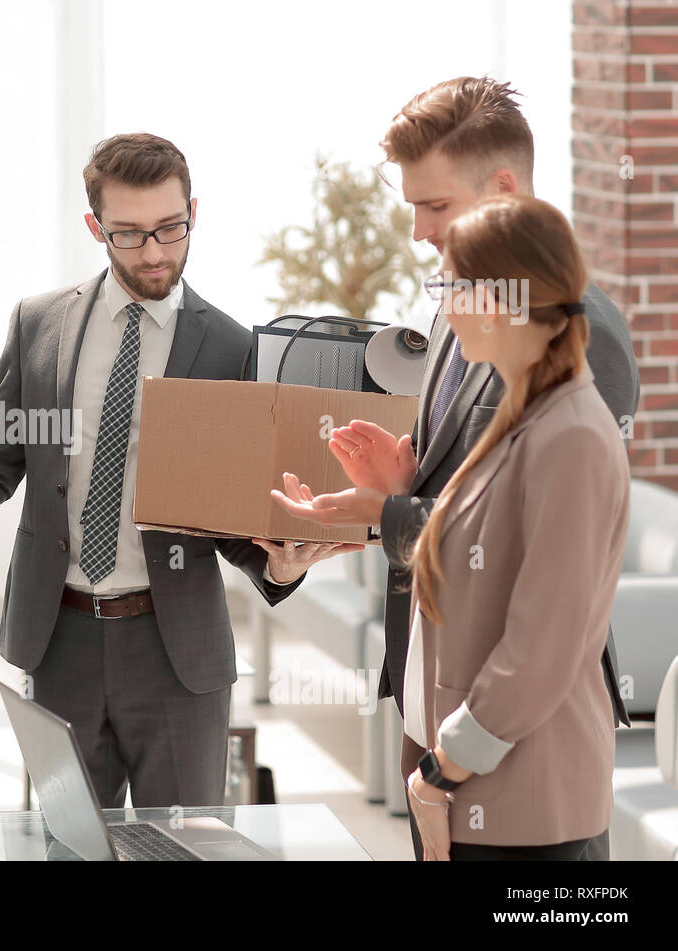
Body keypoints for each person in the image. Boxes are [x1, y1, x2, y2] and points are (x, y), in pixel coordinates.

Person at [0, 133, 360, 808]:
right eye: (130, 235)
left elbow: (228, 509)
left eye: (171, 228)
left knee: (184, 850)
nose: (156, 252)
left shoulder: (232, 347)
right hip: (61, 639)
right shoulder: (40, 324)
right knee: (67, 844)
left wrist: (276, 566)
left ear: (193, 211)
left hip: (177, 652)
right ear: (94, 227)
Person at [272, 77, 636, 860]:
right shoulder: (459, 305)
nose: (417, 237)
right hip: (437, 704)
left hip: (511, 741)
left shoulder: (583, 341)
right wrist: (397, 489)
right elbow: (478, 501)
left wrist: (379, 518)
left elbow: (541, 573)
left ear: (502, 190)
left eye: (434, 208)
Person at [408, 194, 623, 859]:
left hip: (529, 816)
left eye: (452, 286)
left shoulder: (571, 435)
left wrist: (445, 767)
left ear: (503, 299)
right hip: (489, 801)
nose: (443, 304)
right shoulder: (524, 414)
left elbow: (543, 645)